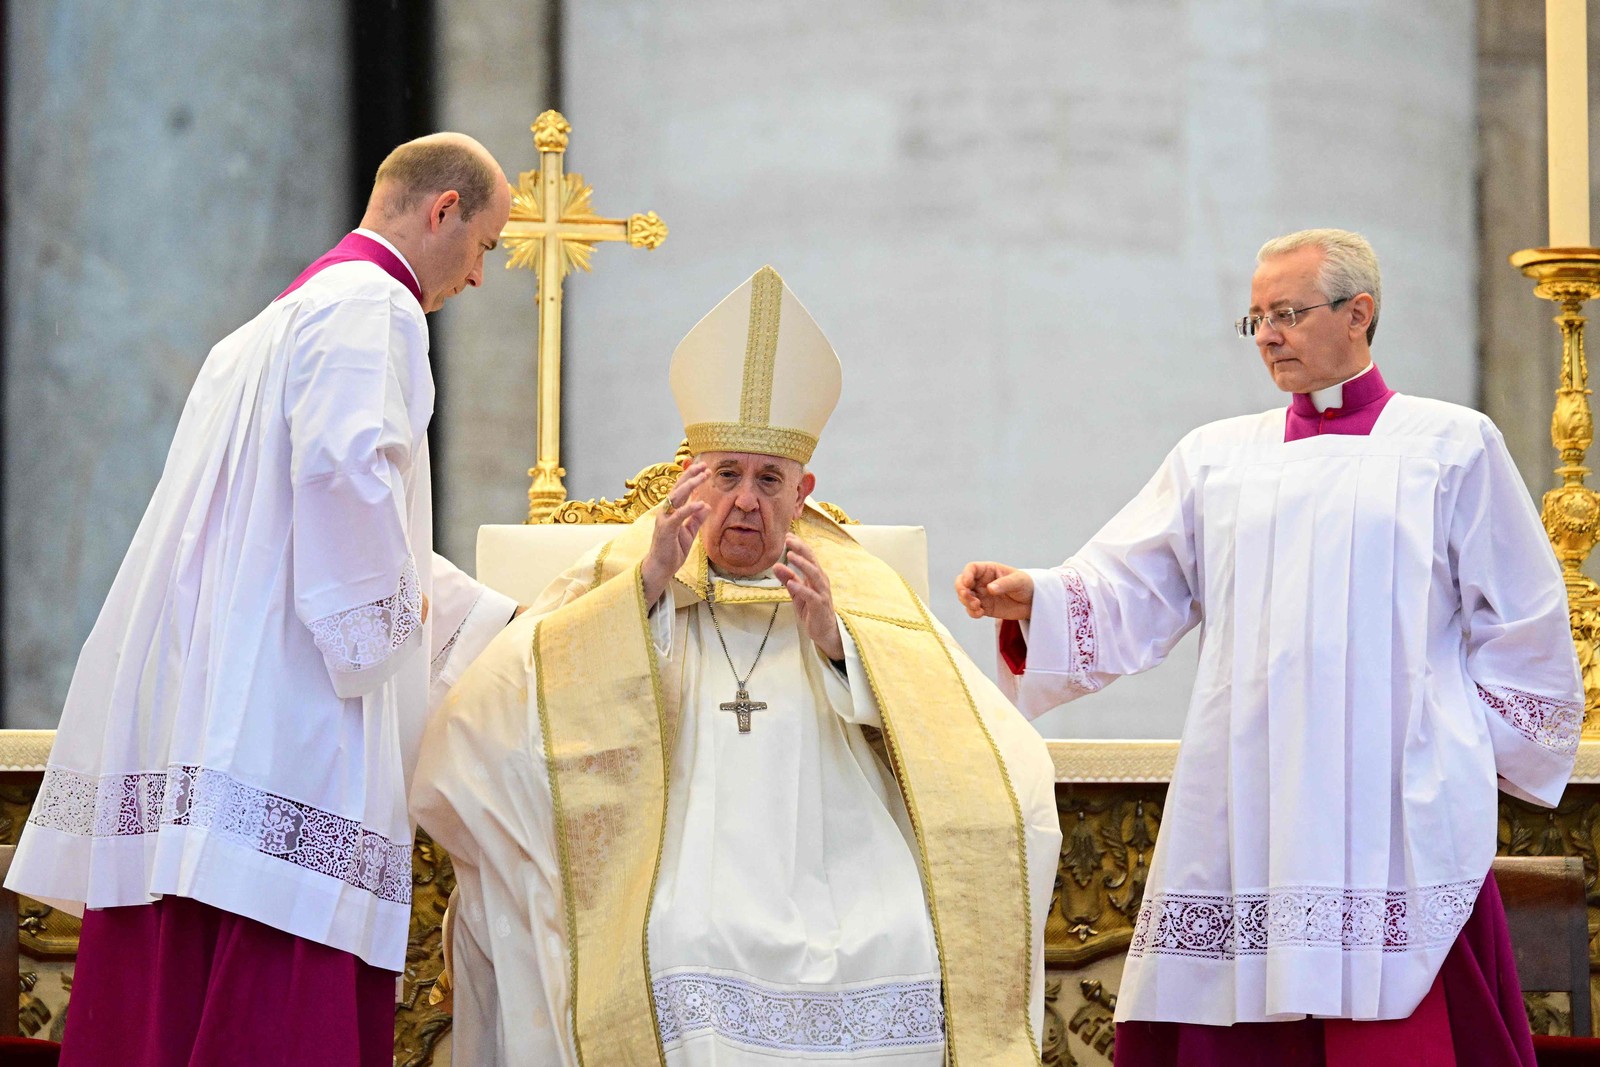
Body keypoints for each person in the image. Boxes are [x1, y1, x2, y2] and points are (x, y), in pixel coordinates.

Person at [957, 228, 1582, 1067]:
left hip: (1389, 804)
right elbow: (1135, 587)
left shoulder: (1450, 445)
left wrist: (1453, 740)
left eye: (1287, 313)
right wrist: (1036, 596)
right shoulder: (1217, 456)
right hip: (1245, 789)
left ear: (1359, 314)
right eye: (1256, 320)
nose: (1270, 337)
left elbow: (1522, 619)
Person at [411, 265, 1062, 1066]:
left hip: (842, 860)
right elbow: (497, 705)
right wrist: (645, 594)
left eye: (768, 480)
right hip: (677, 860)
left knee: (901, 937)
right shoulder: (629, 568)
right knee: (674, 934)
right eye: (726, 475)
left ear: (804, 492)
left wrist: (840, 645)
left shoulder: (854, 585)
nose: (745, 500)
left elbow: (977, 741)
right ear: (693, 476)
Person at [9, 133, 522, 1066]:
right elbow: (343, 475)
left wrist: (470, 613)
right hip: (295, 728)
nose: (479, 277)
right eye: (485, 245)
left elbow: (277, 528)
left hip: (212, 718)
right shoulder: (378, 305)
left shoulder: (260, 330)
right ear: (442, 211)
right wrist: (379, 637)